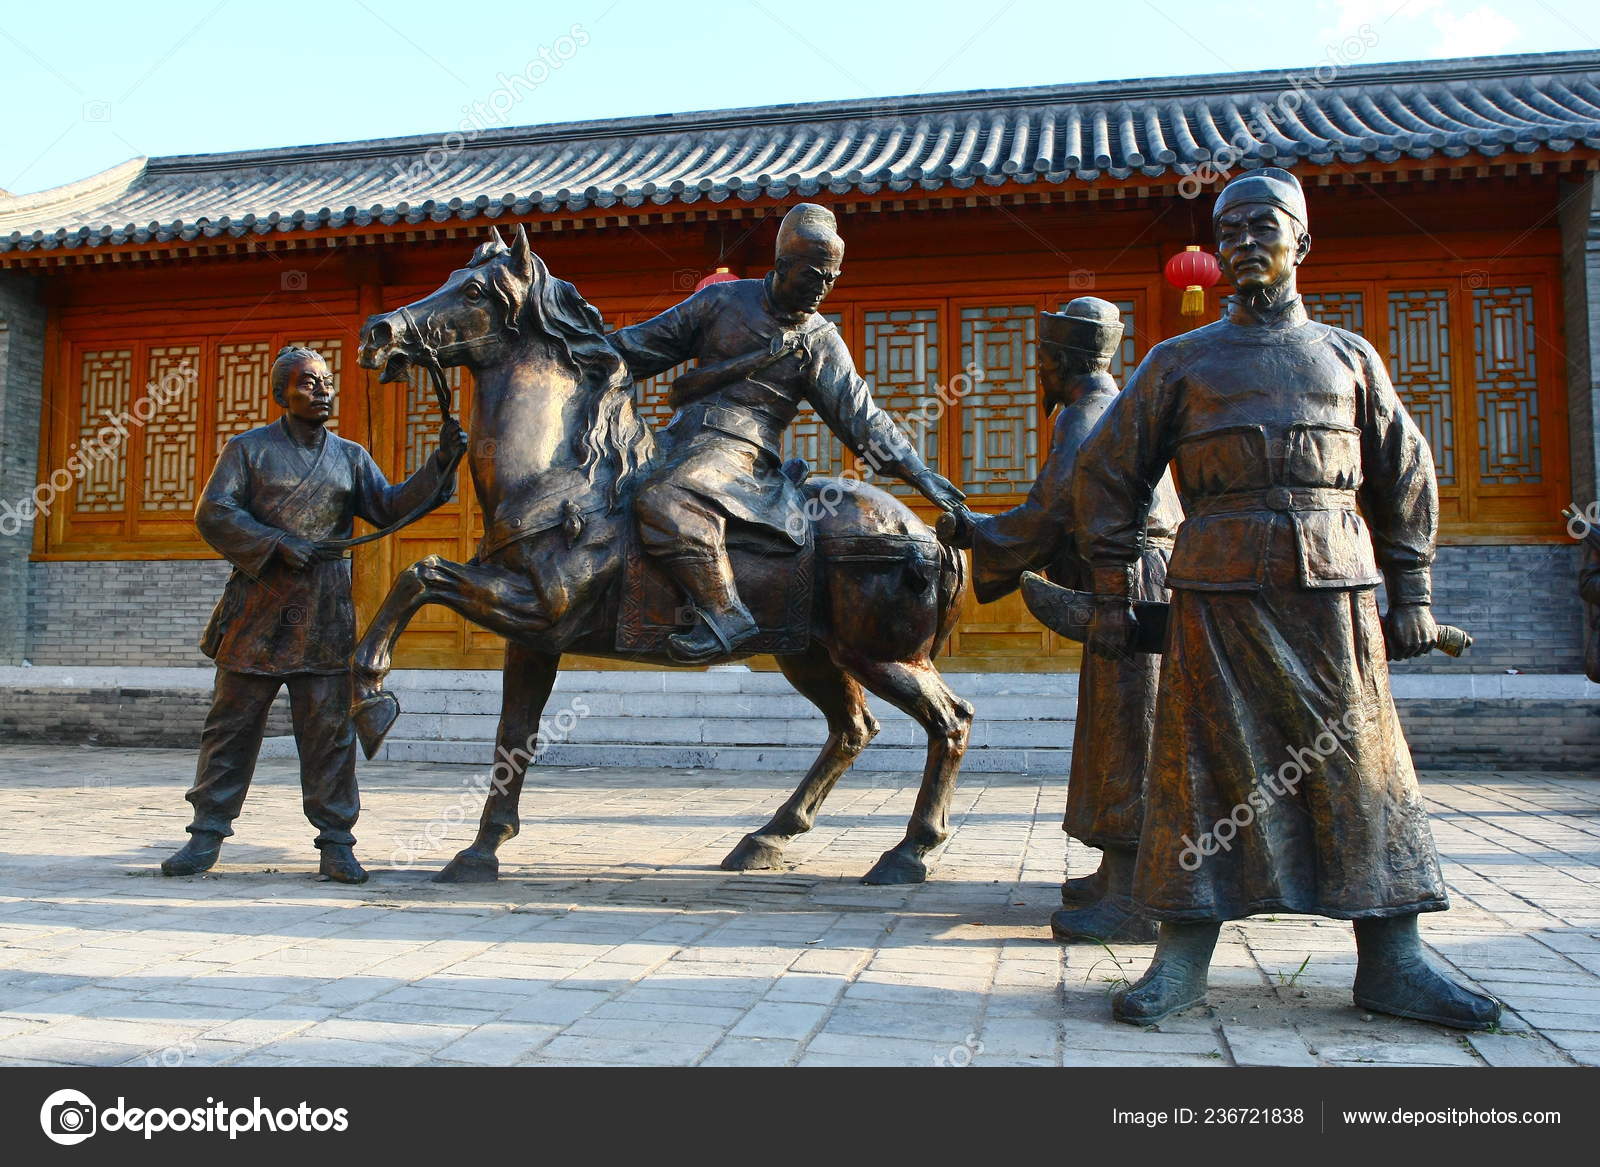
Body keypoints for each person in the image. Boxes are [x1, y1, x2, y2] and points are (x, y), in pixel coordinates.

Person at [1074, 167, 1502, 1030]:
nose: (1240, 245)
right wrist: (1117, 589)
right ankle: (1181, 962)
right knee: (1200, 776)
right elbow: (1107, 475)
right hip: (1217, 601)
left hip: (1335, 602)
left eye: (1261, 227)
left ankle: (1394, 960)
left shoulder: (1350, 356)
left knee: (1364, 771)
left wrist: (1412, 587)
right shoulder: (1177, 362)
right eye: (1226, 231)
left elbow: (1404, 471)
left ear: (1302, 243)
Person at [609, 203, 967, 662]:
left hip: (742, 449)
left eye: (832, 279)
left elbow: (861, 417)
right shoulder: (720, 302)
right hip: (678, 437)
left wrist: (920, 474)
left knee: (664, 497)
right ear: (781, 266)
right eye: (814, 275)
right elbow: (637, 348)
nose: (823, 289)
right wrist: (569, 340)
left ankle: (726, 612)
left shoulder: (819, 340)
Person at [160, 345, 465, 883]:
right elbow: (214, 511)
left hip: (325, 612)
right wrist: (275, 542)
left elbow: (391, 506)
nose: (322, 389)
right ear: (281, 394)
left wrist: (439, 463)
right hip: (258, 607)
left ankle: (336, 843)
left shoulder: (348, 455)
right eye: (307, 382)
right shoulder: (248, 450)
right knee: (230, 728)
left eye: (326, 381)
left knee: (329, 734)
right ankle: (206, 834)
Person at [942, 298, 1180, 943]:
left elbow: (1052, 510)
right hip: (1141, 573)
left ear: (1061, 361)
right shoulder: (1116, 404)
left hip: (1126, 583)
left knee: (1129, 728)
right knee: (1126, 721)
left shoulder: (1084, 414)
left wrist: (977, 531)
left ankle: (1135, 896)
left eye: (1041, 359)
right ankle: (1118, 871)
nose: (1036, 373)